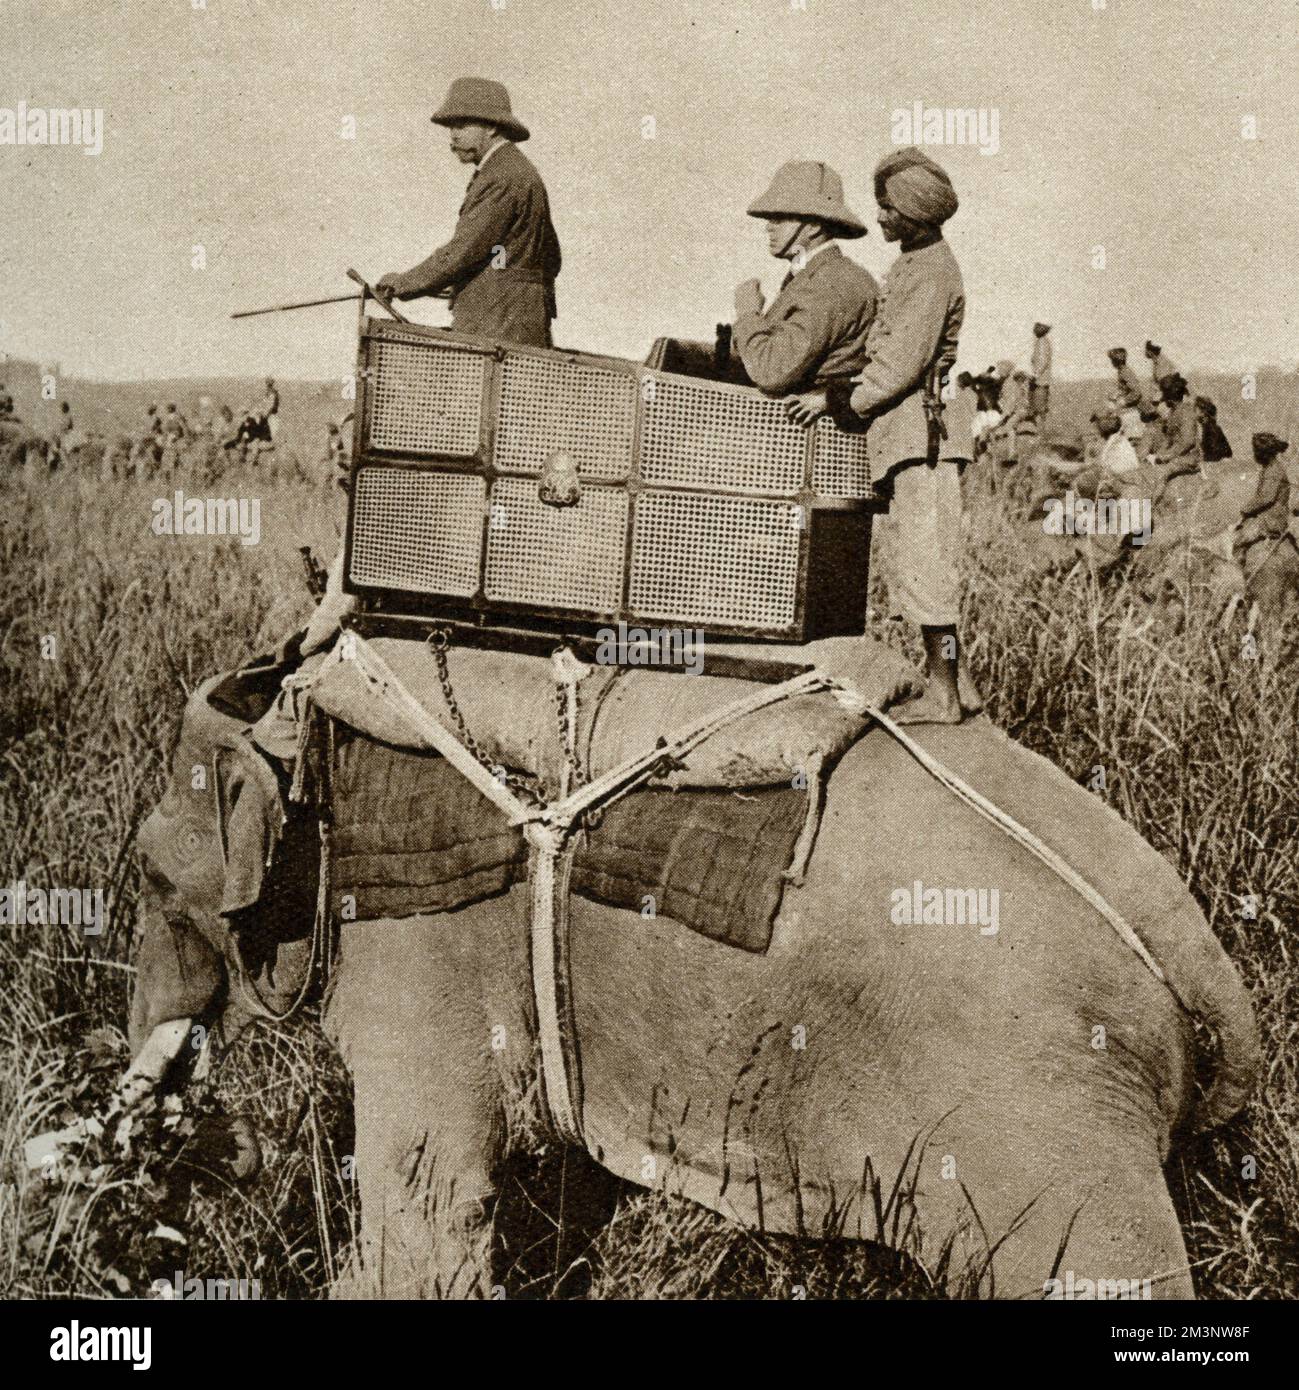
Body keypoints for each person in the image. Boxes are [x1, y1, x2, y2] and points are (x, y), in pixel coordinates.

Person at [786, 146, 973, 724]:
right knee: (925, 559)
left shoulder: (930, 274)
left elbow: (897, 368)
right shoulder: (921, 263)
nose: (881, 219)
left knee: (927, 565)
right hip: (916, 433)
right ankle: (957, 686)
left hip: (924, 437)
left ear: (915, 214)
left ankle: (943, 695)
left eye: (888, 209)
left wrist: (834, 400)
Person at [376, 78, 561, 348]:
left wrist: (401, 284)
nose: (453, 134)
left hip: (496, 328)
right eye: (450, 126)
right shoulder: (515, 170)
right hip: (514, 323)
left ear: (492, 127)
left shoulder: (501, 176)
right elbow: (550, 257)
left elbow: (464, 250)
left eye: (462, 124)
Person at [730, 161, 877, 394]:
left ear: (814, 226)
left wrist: (748, 314)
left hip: (804, 427)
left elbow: (771, 371)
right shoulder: (814, 275)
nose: (768, 227)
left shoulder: (832, 283)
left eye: (779, 218)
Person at [1233, 432, 1292, 587]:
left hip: (1271, 519)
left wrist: (1244, 511)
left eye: (1256, 451)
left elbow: (1266, 498)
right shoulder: (1271, 468)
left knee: (1236, 540)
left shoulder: (1274, 471)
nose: (1254, 454)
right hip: (1268, 516)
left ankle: (1237, 582)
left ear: (1262, 453)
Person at [1151, 374, 1200, 480]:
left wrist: (1165, 456)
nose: (1162, 399)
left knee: (1160, 475)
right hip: (1177, 456)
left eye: (1164, 395)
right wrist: (1158, 454)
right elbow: (1168, 440)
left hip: (1188, 458)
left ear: (1169, 398)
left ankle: (1155, 497)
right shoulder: (1173, 412)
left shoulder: (1186, 412)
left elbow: (1188, 442)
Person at [1105, 347, 1144, 440]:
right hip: (1127, 410)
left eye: (1112, 360)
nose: (1111, 362)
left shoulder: (1125, 372)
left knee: (1131, 439)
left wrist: (1124, 401)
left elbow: (1137, 392)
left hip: (1130, 411)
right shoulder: (1122, 371)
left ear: (1116, 360)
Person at [1196, 396, 1233, 462]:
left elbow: (1214, 452)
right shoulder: (1209, 427)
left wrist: (1200, 459)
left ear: (1203, 413)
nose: (1194, 414)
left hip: (1215, 464)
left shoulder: (1210, 429)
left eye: (1196, 410)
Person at [1029, 322, 1052, 423]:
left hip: (1040, 380)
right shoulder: (1041, 341)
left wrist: (1036, 375)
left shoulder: (1042, 342)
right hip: (1040, 379)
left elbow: (1043, 361)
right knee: (1037, 407)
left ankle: (1041, 435)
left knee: (1039, 408)